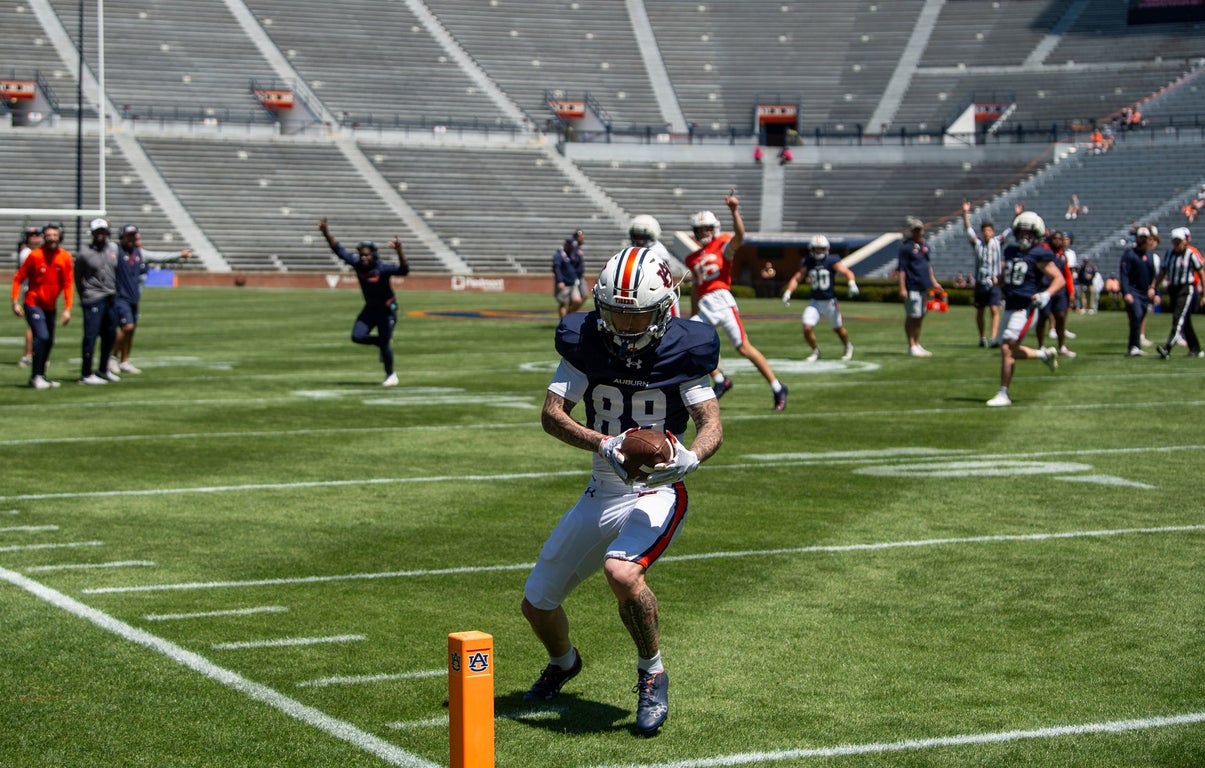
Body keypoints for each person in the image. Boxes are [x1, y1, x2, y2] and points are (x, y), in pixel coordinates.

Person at [521, 246, 723, 736]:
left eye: (637, 318)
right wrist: (604, 443)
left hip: (657, 489)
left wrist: (691, 458)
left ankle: (652, 672)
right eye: (616, 314)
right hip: (603, 487)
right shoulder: (584, 339)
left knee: (621, 572)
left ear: (664, 307)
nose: (625, 328)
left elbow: (710, 422)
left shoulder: (685, 346)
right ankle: (566, 662)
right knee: (537, 604)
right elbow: (552, 415)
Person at [684, 193, 788, 410]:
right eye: (700, 229)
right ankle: (721, 379)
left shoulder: (722, 244)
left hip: (722, 300)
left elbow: (740, 236)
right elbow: (695, 287)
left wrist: (734, 210)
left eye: (707, 228)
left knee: (743, 348)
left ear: (714, 228)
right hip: (705, 305)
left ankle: (777, 386)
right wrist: (692, 313)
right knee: (688, 340)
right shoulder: (692, 258)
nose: (704, 232)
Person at [318, 218, 409, 386]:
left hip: (386, 310)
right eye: (361, 254)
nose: (364, 257)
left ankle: (391, 375)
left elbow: (404, 271)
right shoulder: (357, 264)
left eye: (367, 254)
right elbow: (338, 250)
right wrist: (325, 232)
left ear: (373, 255)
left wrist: (399, 251)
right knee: (357, 336)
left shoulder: (382, 268)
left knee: (384, 344)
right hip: (369, 309)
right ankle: (382, 341)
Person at [986, 212, 1063, 407]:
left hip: (1026, 307)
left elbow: (1059, 279)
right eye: (1021, 232)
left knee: (1006, 348)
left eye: (1028, 233)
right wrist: (996, 281)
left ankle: (1003, 393)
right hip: (1010, 306)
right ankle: (1044, 354)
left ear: (1036, 234)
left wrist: (1046, 294)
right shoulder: (1011, 251)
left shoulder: (1039, 254)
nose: (1024, 237)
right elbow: (1006, 276)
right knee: (1008, 349)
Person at [109, 225, 191, 374]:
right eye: (129, 236)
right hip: (121, 297)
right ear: (122, 237)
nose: (132, 239)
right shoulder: (117, 251)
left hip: (134, 298)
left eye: (134, 236)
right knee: (127, 327)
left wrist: (179, 254)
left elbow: (158, 256)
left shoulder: (139, 253)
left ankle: (125, 361)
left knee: (131, 331)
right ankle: (112, 357)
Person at [11, 223, 73, 389]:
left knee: (49, 341)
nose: (52, 238)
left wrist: (68, 308)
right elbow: (18, 277)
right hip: (33, 303)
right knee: (42, 337)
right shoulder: (35, 256)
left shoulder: (65, 257)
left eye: (54, 235)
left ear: (59, 237)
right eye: (48, 235)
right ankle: (36, 376)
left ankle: (40, 375)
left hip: (50, 305)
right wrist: (15, 301)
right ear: (44, 237)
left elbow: (67, 284)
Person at [780, 234, 858, 362]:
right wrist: (788, 292)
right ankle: (815, 351)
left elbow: (847, 272)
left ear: (826, 249)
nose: (819, 251)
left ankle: (847, 346)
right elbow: (797, 278)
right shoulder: (808, 262)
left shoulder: (832, 260)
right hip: (815, 302)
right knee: (806, 327)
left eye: (821, 248)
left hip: (830, 302)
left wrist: (851, 283)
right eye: (817, 248)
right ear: (811, 249)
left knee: (838, 329)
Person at [74, 218, 122, 385]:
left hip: (110, 297)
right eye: (97, 231)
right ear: (92, 233)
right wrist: (84, 295)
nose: (100, 234)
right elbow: (77, 276)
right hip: (93, 298)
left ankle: (103, 369)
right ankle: (86, 373)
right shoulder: (84, 252)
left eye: (103, 231)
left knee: (110, 335)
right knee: (91, 336)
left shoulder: (112, 249)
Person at [962, 200, 1013, 348]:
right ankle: (982, 337)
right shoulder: (977, 243)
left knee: (995, 308)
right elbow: (967, 228)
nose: (986, 233)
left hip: (994, 281)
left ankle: (993, 337)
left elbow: (1010, 230)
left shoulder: (998, 242)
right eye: (984, 230)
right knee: (980, 310)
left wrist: (1017, 215)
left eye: (989, 230)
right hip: (980, 281)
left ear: (993, 231)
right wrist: (965, 212)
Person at [1155, 228, 1204, 359]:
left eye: (1179, 241)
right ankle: (1196, 348)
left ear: (1184, 241)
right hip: (1174, 290)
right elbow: (1162, 271)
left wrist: (1204, 293)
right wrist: (1153, 286)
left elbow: (1201, 272)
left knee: (1178, 318)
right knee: (1185, 320)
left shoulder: (1191, 254)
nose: (1177, 244)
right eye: (1175, 241)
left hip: (1186, 289)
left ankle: (1167, 347)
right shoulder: (1169, 254)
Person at [898, 216, 943, 357]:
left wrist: (934, 282)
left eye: (920, 230)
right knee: (913, 315)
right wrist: (902, 288)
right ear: (911, 231)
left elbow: (928, 266)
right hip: (912, 286)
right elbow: (902, 269)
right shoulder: (906, 247)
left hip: (924, 287)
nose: (918, 232)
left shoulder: (925, 246)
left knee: (921, 315)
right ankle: (911, 344)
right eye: (915, 230)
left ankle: (917, 343)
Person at [628, 215, 688, 316]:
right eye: (636, 236)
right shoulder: (634, 250)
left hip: (661, 296)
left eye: (643, 236)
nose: (639, 240)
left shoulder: (658, 252)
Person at [1119, 226, 1158, 356]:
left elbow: (1153, 275)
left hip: (1144, 293)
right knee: (1136, 315)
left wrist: (1153, 289)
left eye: (1145, 238)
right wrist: (1126, 292)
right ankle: (1133, 346)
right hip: (1133, 291)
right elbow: (1124, 274)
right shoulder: (1129, 254)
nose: (1142, 240)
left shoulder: (1149, 255)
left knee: (1140, 318)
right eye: (1140, 237)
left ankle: (1135, 345)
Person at [1037, 230, 1076, 358]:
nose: (1058, 241)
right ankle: (1041, 346)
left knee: (1060, 316)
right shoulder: (1044, 253)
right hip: (1045, 289)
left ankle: (1061, 346)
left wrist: (1071, 292)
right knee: (1042, 318)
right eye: (1055, 238)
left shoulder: (1062, 256)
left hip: (1060, 291)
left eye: (1060, 239)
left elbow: (1067, 276)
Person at [15, 226, 40, 368]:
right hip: (31, 292)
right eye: (32, 235)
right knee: (33, 325)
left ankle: (35, 354)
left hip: (39, 293)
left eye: (36, 235)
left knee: (38, 326)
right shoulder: (26, 253)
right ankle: (27, 355)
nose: (35, 238)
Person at [553, 234, 586, 318]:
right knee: (563, 303)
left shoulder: (572, 255)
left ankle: (568, 316)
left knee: (577, 301)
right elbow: (557, 268)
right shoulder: (559, 255)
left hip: (573, 282)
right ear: (567, 246)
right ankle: (563, 322)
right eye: (571, 247)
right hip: (565, 283)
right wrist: (560, 281)